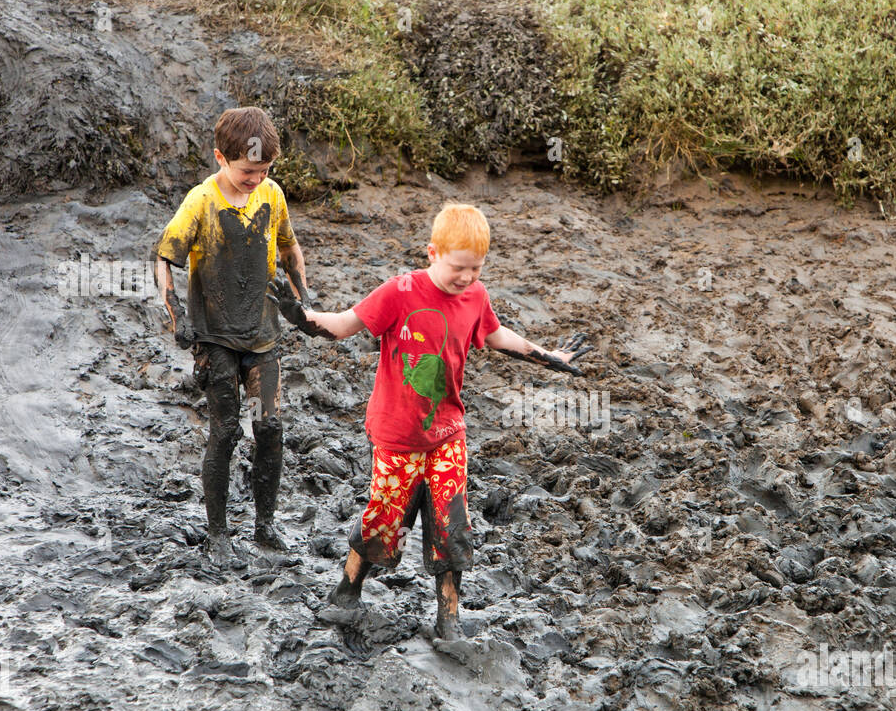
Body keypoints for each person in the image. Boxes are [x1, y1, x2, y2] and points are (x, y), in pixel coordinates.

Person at [269, 202, 589, 640]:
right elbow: (344, 325)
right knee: (385, 521)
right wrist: (303, 319)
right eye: (459, 268)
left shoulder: (476, 297)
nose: (467, 278)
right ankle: (347, 592)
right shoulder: (399, 291)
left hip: (447, 434)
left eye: (476, 269)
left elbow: (496, 336)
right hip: (397, 436)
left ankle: (449, 618)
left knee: (452, 525)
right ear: (433, 253)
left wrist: (548, 356)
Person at [153, 107, 311, 567]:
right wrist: (175, 313)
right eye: (247, 171)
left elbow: (288, 244)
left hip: (263, 337)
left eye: (264, 171)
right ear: (221, 158)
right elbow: (165, 255)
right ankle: (218, 534)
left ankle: (265, 526)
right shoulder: (201, 201)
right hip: (216, 337)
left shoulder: (273, 195)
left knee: (269, 427)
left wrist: (303, 297)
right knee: (223, 431)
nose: (256, 179)